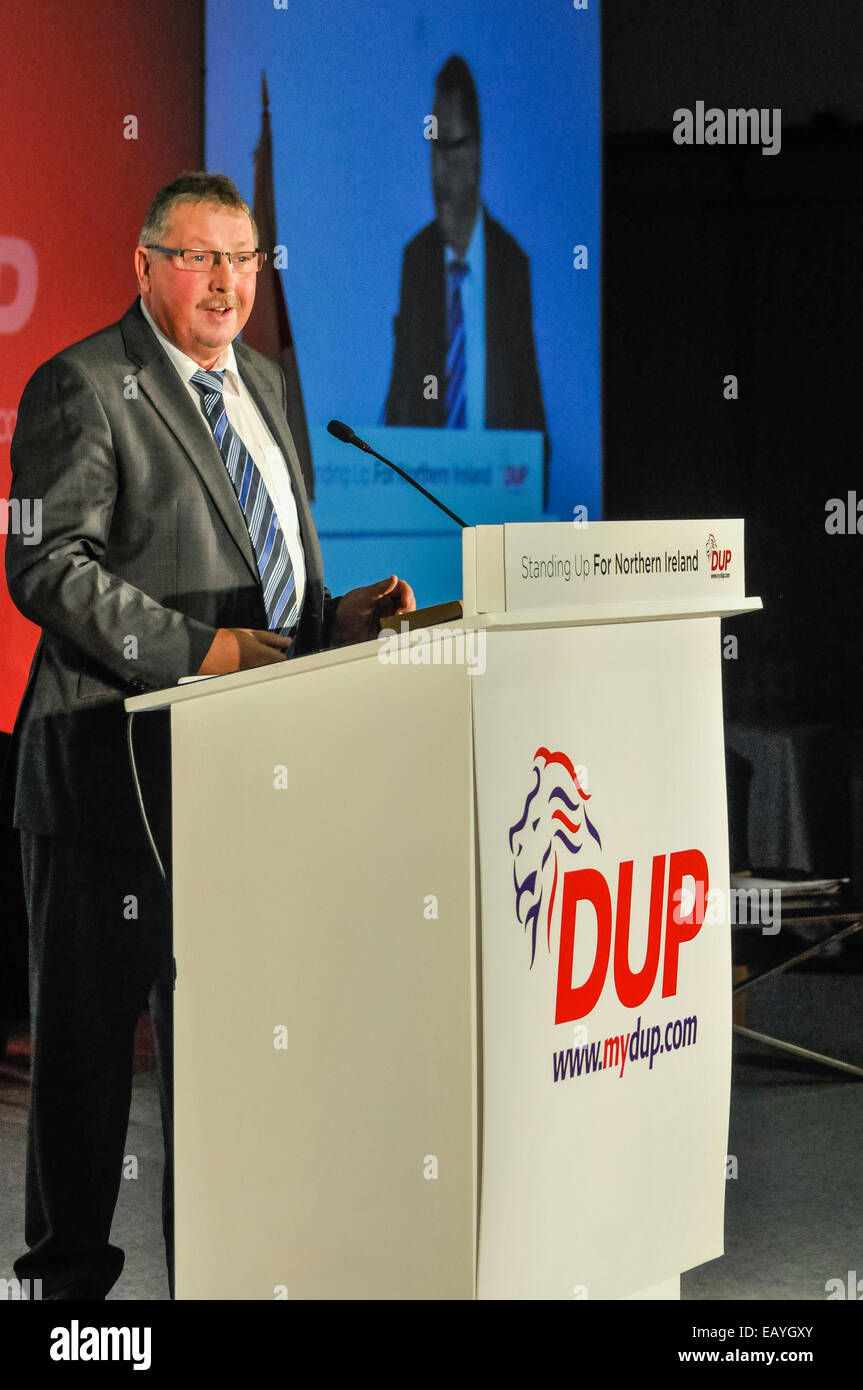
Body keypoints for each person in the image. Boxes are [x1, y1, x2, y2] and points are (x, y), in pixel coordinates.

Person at [2, 171, 414, 1300]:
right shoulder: (80, 385)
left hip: (247, 783)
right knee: (88, 1063)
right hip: (109, 776)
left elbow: (258, 571)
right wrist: (202, 655)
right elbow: (44, 565)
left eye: (243, 257)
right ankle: (68, 1303)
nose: (227, 279)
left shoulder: (271, 385)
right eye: (199, 257)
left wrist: (327, 620)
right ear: (144, 267)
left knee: (232, 1057)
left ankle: (224, 1278)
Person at [384, 55, 548, 494]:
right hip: (427, 497)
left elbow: (529, 411)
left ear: (475, 153)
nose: (438, 170)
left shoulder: (511, 265)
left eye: (451, 148)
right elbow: (401, 403)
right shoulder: (417, 260)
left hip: (498, 499)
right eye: (433, 148)